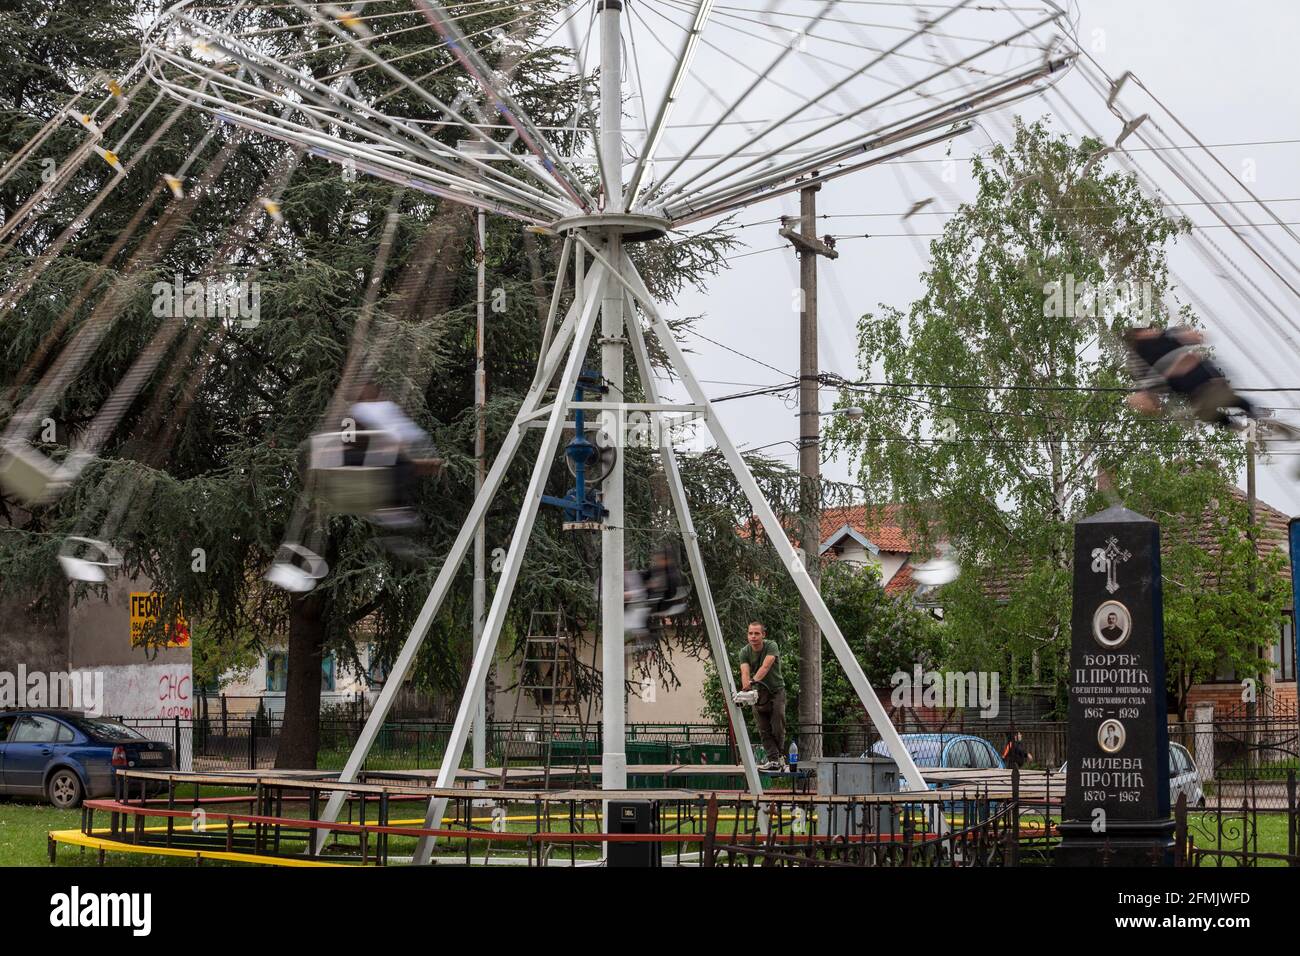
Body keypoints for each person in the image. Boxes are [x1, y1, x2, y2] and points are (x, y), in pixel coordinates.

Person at [346, 381, 443, 554]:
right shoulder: (364, 410)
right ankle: (391, 509)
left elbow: (406, 432)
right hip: (365, 458)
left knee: (401, 465)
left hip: (367, 460)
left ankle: (392, 512)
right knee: (401, 464)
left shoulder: (378, 408)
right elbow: (402, 433)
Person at [1123, 325, 1256, 428]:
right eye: (1147, 331)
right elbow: (1149, 392)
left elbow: (1194, 338)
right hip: (1195, 392)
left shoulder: (1166, 336)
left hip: (1205, 381)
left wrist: (1191, 337)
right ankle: (1236, 425)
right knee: (1207, 412)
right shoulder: (1143, 359)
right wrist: (1145, 400)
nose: (1152, 331)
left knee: (1223, 399)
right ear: (1138, 336)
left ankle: (1252, 414)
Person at [738, 621, 786, 771]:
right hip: (758, 694)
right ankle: (773, 760)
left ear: (763, 635)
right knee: (763, 729)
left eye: (756, 633)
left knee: (777, 725)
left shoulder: (771, 646)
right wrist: (745, 691)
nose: (753, 636)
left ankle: (780, 756)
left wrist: (752, 682)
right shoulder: (744, 652)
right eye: (750, 633)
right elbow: (744, 672)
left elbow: (766, 666)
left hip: (776, 691)